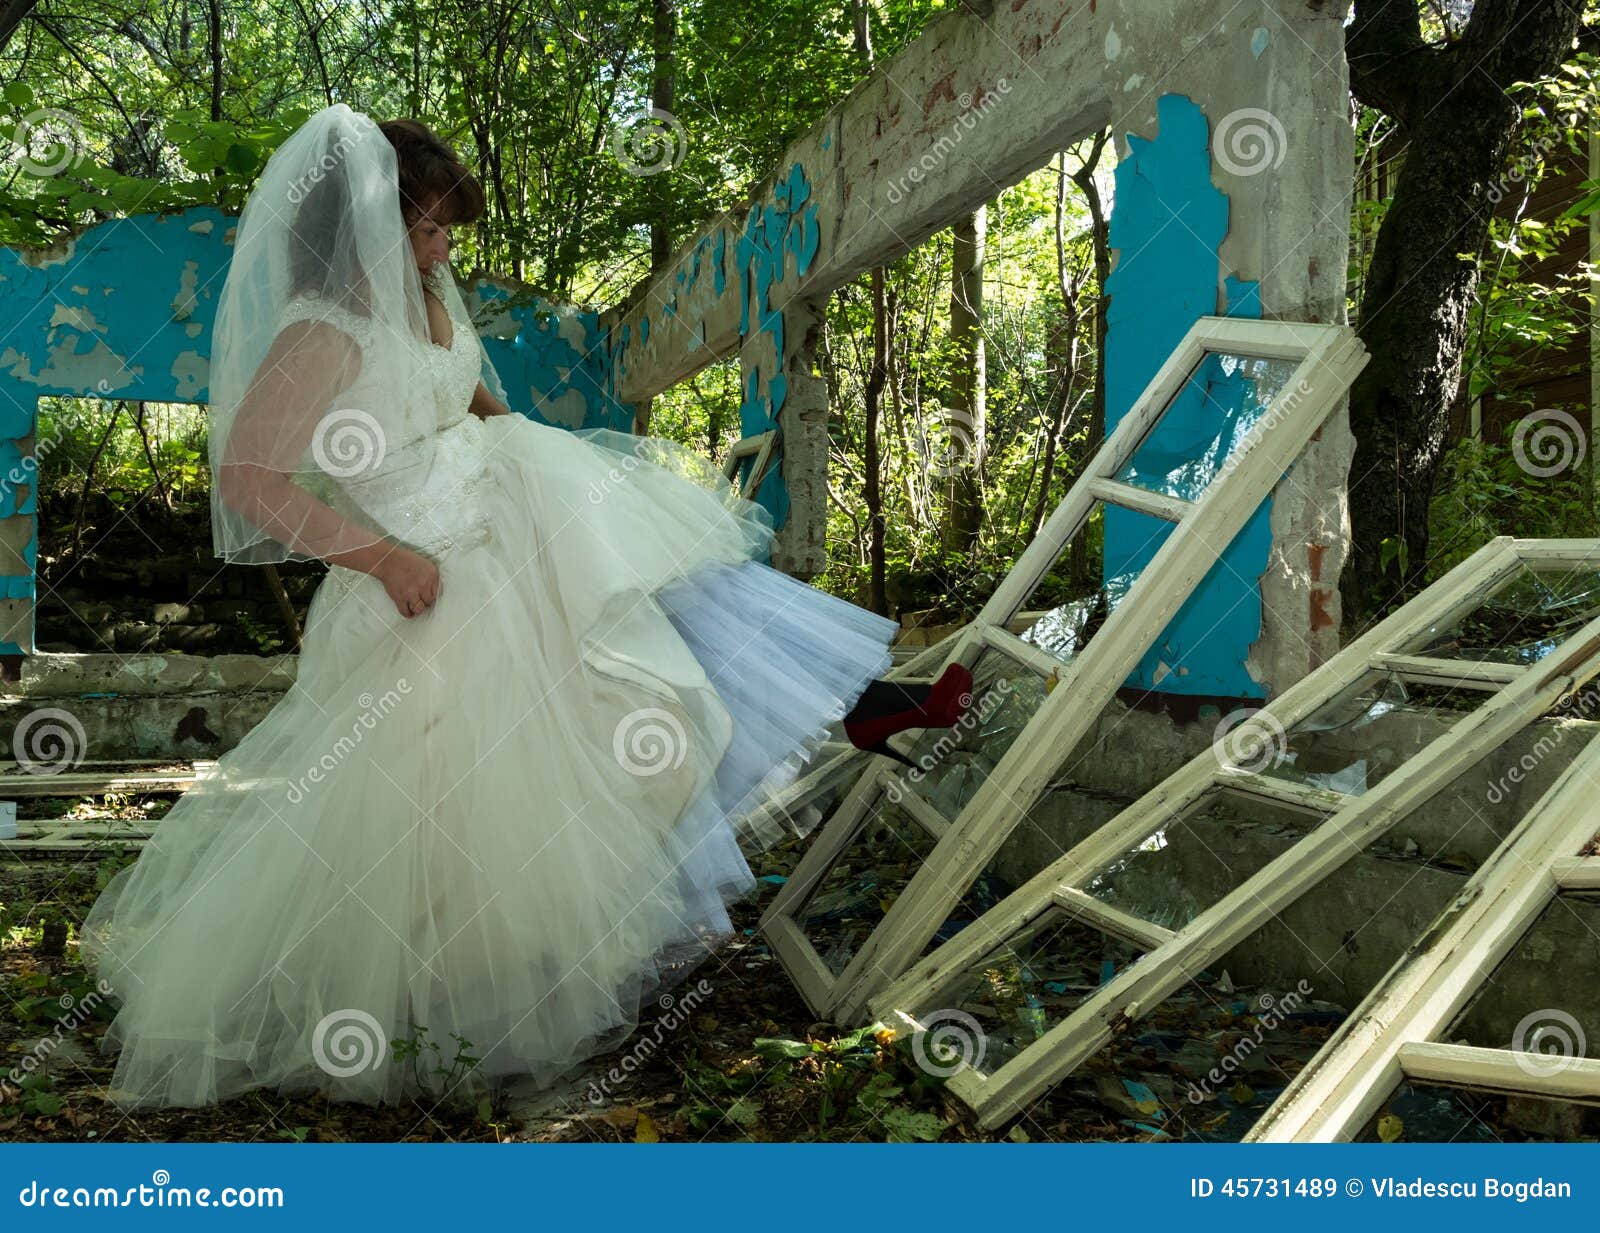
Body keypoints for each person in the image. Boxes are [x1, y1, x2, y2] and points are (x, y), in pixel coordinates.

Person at [78, 104, 962, 1109]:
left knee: (664, 613)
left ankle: (865, 696)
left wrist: (531, 441)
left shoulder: (419, 294)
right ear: (357, 225)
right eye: (427, 227)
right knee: (469, 804)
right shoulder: (316, 336)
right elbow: (248, 480)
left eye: (447, 228)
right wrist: (379, 556)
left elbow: (458, 391)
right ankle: (461, 1003)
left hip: (512, 506)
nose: (443, 246)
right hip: (430, 570)